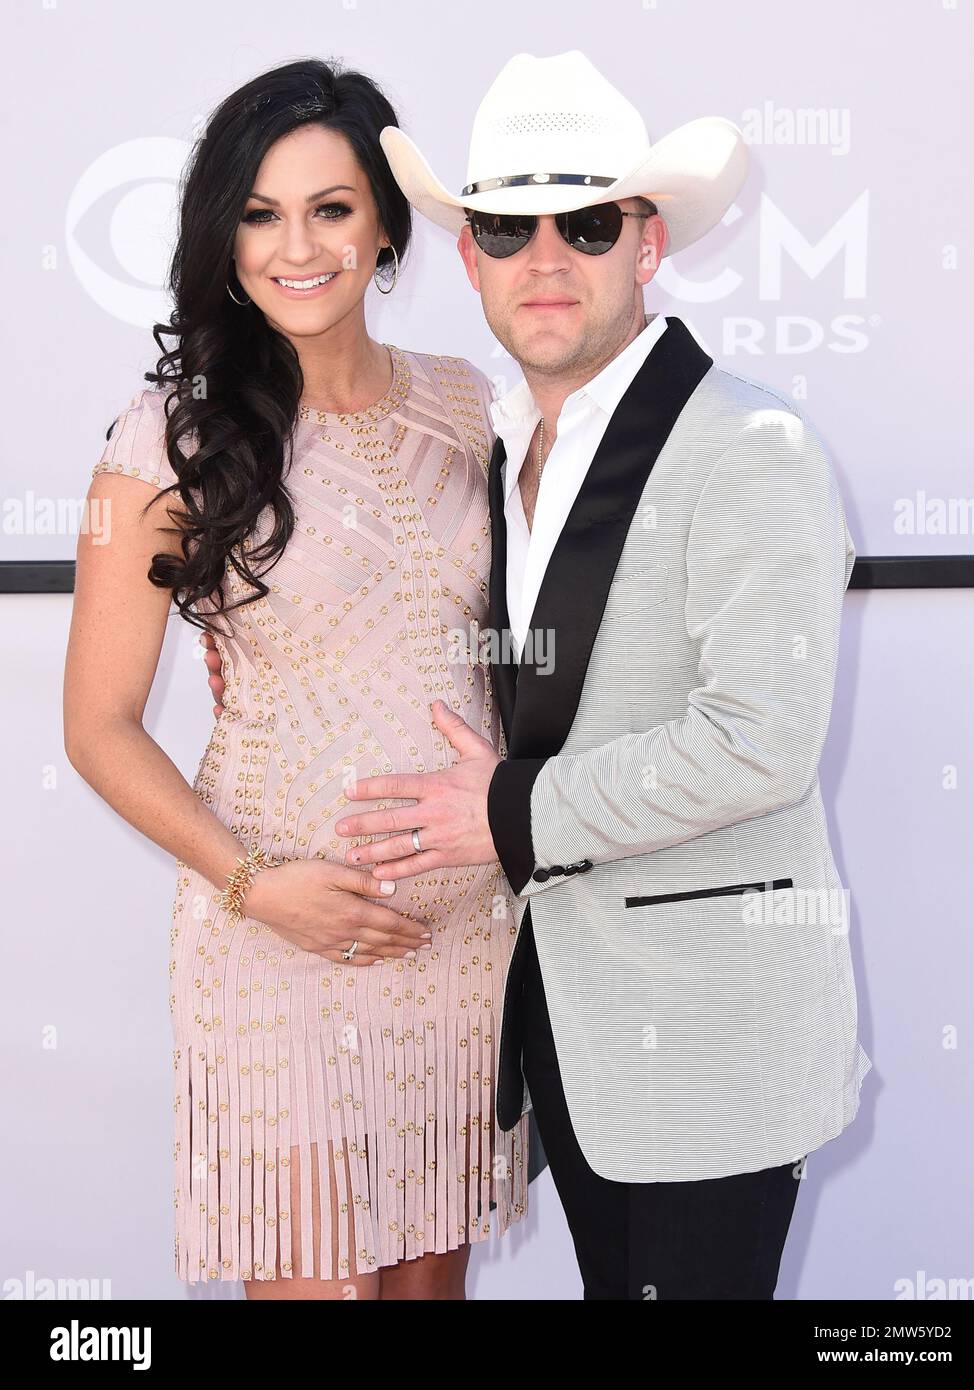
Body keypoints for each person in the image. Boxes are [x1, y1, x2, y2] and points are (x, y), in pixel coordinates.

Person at [326, 50, 873, 1300]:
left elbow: (758, 741)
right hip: (571, 1028)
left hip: (713, 1045)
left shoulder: (754, 446)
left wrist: (506, 811)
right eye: (508, 229)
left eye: (584, 222)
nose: (545, 259)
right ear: (467, 260)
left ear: (648, 243)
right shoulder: (505, 445)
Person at [63, 57, 528, 1301]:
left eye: (330, 207)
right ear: (223, 236)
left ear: (383, 219)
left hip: (461, 928)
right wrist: (259, 887)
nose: (296, 246)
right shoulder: (167, 436)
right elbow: (99, 727)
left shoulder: (470, 402)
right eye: (261, 214)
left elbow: (508, 648)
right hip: (278, 933)